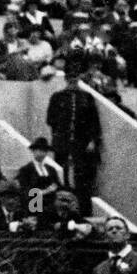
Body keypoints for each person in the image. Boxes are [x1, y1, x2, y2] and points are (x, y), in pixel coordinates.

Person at [46, 57, 102, 213]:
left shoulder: (87, 97)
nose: (73, 80)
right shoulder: (57, 97)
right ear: (65, 79)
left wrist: (92, 141)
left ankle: (83, 210)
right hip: (63, 143)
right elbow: (51, 120)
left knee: (82, 178)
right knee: (62, 176)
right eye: (70, 77)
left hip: (81, 144)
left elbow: (94, 121)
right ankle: (62, 210)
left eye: (75, 77)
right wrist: (59, 135)